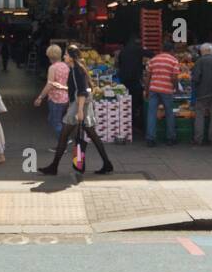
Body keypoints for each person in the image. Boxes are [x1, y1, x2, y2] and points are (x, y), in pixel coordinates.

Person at [38, 45, 114, 177]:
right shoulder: (74, 69)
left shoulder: (76, 70)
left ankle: (54, 167)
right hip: (80, 103)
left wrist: (79, 111)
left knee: (64, 135)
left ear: (72, 58)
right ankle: (107, 164)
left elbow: (82, 92)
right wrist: (61, 87)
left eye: (66, 55)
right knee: (92, 135)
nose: (64, 57)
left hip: (80, 104)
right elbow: (76, 89)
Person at [144, 41, 181, 147]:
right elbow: (174, 77)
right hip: (167, 90)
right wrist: (176, 88)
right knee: (169, 113)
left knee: (152, 113)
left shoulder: (153, 60)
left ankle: (150, 139)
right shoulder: (173, 60)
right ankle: (171, 138)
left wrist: (147, 91)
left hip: (154, 89)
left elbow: (148, 77)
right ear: (172, 50)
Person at [189, 42, 212, 146]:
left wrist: (194, 93)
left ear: (202, 51)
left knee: (199, 115)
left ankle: (198, 139)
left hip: (202, 93)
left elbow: (195, 78)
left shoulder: (200, 61)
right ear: (211, 51)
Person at [34, 44, 70, 138]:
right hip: (65, 98)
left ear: (49, 55)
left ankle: (63, 142)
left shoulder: (52, 68)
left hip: (56, 99)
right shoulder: (65, 66)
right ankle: (64, 137)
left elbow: (49, 84)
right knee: (54, 119)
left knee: (56, 122)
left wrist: (40, 97)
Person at [116, 35, 144, 131]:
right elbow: (151, 54)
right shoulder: (138, 49)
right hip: (134, 79)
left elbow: (119, 64)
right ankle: (133, 122)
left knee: (125, 100)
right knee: (135, 101)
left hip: (124, 79)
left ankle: (125, 122)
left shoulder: (123, 51)